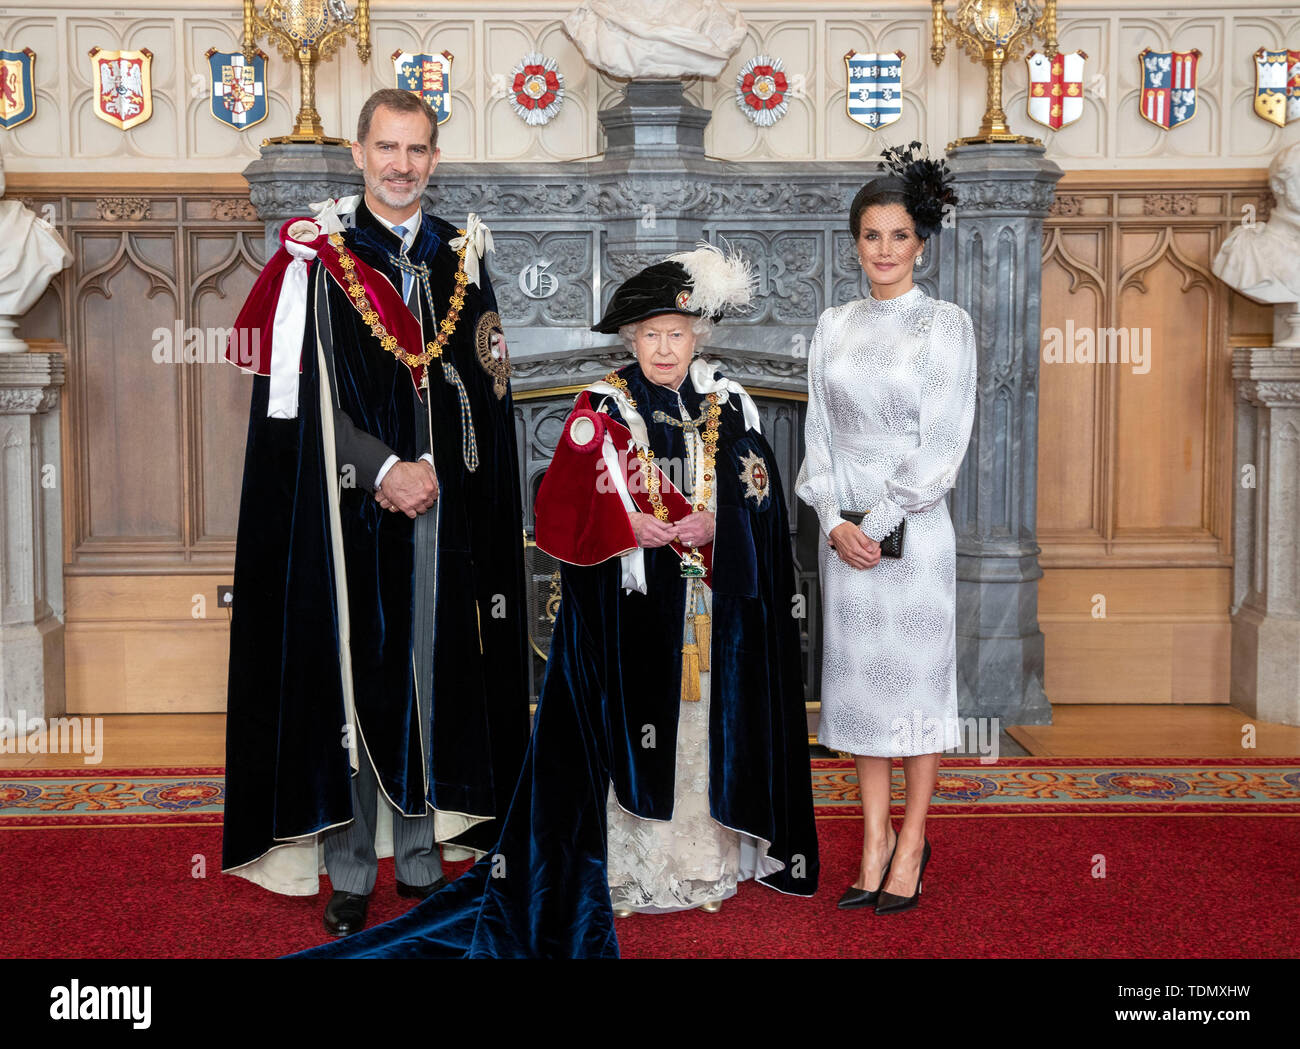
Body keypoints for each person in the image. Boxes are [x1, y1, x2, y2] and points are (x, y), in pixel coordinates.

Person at [293, 243, 819, 958]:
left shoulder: (732, 404)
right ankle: (634, 873)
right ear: (632, 339)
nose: (665, 348)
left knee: (699, 736)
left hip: (706, 611)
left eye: (678, 333)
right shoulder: (599, 407)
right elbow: (559, 513)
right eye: (651, 335)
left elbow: (762, 501)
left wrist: (721, 522)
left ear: (700, 335)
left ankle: (702, 863)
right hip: (627, 619)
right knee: (632, 738)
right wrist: (626, 524)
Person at [220, 88, 530, 938]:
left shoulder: (457, 258)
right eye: (387, 148)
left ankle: (424, 856)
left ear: (435, 158)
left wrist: (441, 474)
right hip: (346, 511)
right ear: (358, 153)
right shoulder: (320, 259)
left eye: (418, 150)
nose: (402, 165)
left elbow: (485, 391)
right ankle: (354, 865)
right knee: (357, 679)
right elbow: (303, 403)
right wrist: (385, 466)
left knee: (435, 673)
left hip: (445, 509)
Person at [796, 142, 976, 914]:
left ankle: (912, 841)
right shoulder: (833, 324)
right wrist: (834, 520)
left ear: (921, 244)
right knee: (862, 697)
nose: (885, 250)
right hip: (847, 541)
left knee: (916, 694)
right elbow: (817, 437)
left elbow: (943, 442)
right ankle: (871, 841)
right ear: (855, 242)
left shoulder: (946, 324)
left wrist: (878, 519)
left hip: (916, 534)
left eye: (899, 236)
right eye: (871, 235)